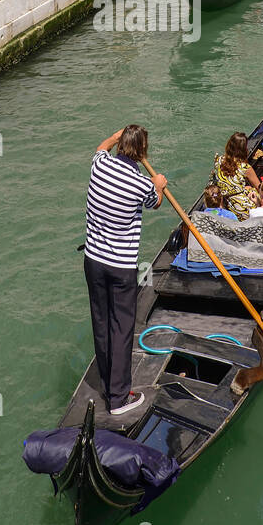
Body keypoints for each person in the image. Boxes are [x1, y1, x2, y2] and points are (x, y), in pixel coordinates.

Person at [84, 125, 167, 415]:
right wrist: (159, 184)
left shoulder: (100, 165)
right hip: (120, 267)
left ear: (120, 144)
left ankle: (108, 383)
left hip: (93, 261)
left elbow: (99, 147)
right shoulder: (141, 183)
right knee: (121, 329)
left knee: (102, 322)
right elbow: (155, 203)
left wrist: (115, 135)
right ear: (142, 151)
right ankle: (118, 399)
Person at [212, 133, 261, 218]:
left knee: (247, 188)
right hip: (244, 210)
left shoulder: (218, 160)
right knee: (255, 191)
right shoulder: (245, 167)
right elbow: (260, 188)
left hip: (227, 204)